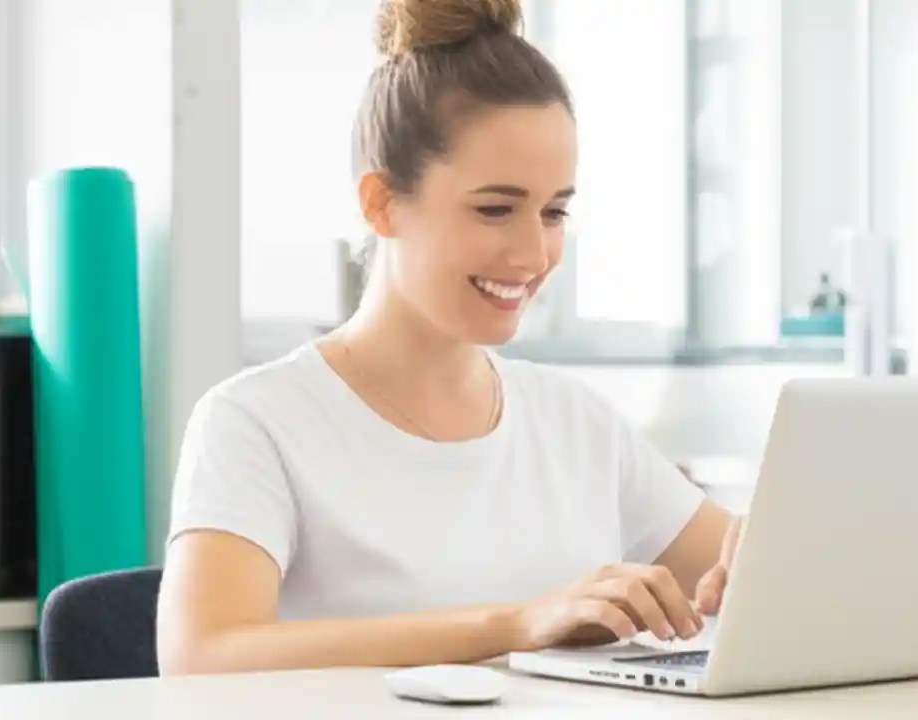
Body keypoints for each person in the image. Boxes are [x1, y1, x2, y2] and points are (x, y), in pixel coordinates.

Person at [156, 0, 740, 675]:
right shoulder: (257, 421)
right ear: (380, 202)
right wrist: (516, 624)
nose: (534, 252)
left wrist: (777, 568)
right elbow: (202, 656)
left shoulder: (576, 423)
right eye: (495, 209)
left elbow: (762, 570)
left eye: (554, 212)